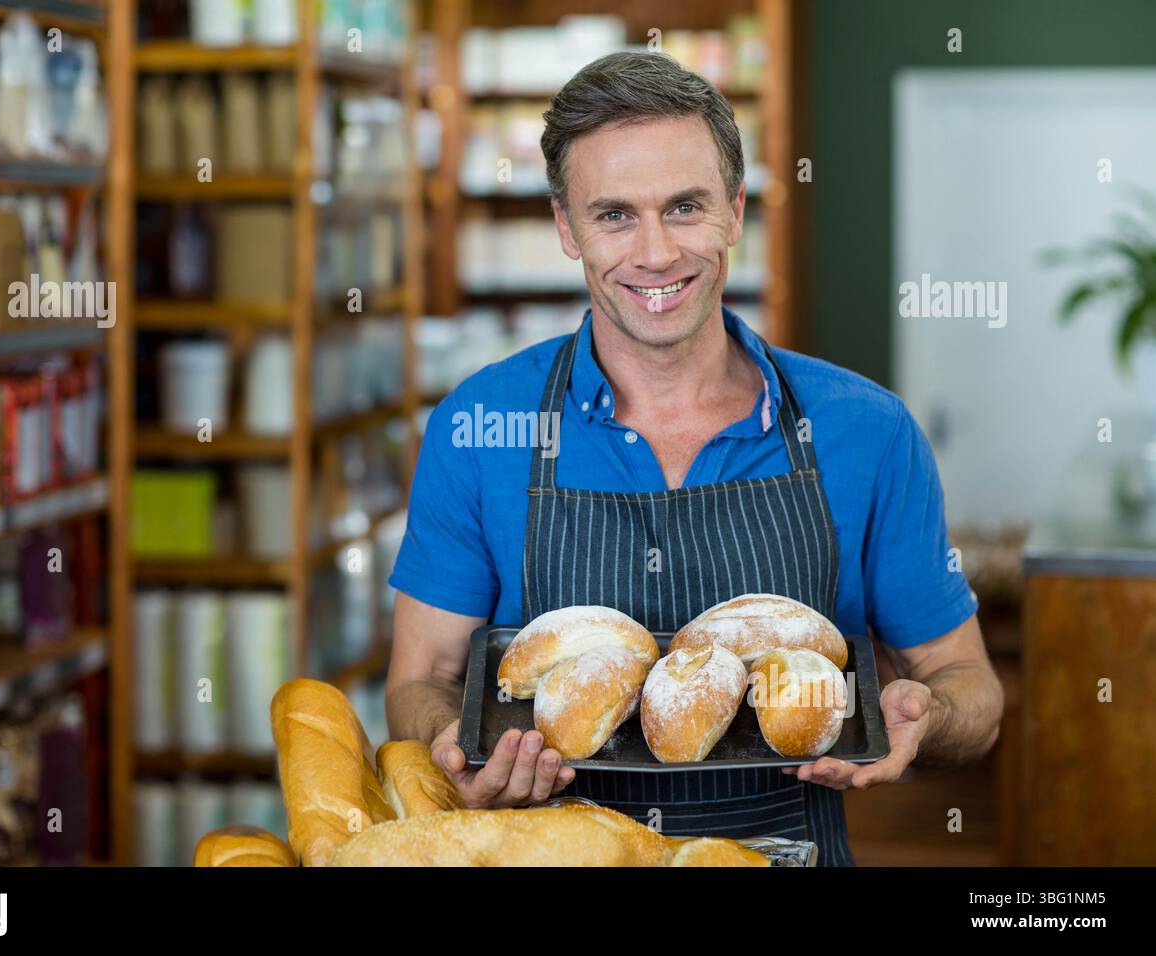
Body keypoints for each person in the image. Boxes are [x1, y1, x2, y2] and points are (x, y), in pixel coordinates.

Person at [384, 51, 1004, 866]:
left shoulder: (868, 430)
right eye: (613, 215)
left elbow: (974, 691)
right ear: (566, 228)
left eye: (684, 207)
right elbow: (419, 680)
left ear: (736, 210)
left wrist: (926, 717)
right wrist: (455, 750)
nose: (655, 253)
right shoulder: (480, 423)